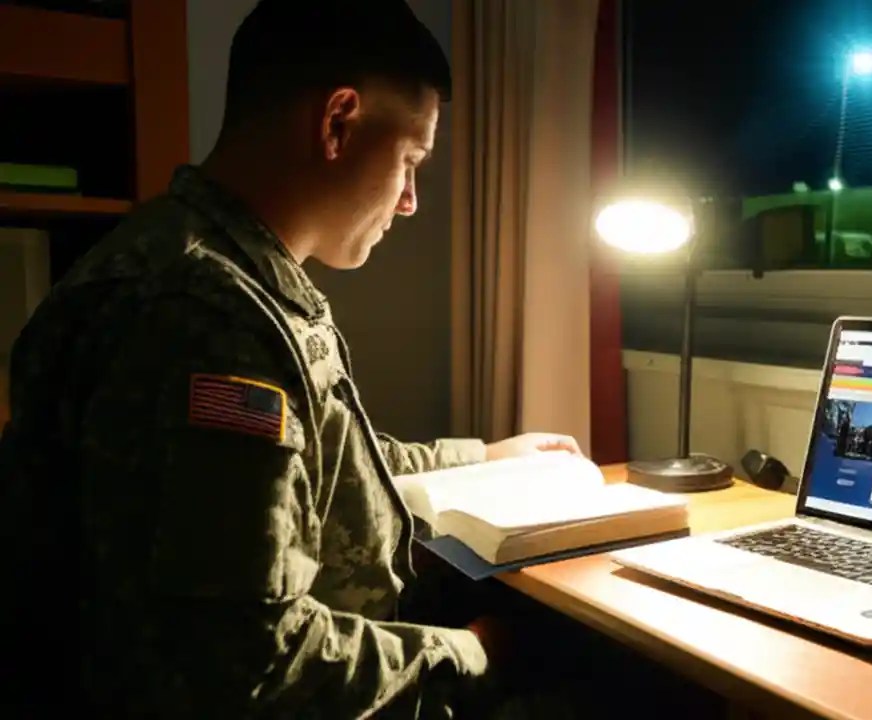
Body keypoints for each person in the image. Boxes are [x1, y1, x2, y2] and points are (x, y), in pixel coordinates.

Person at [0, 0, 579, 716]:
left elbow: (316, 474)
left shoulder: (210, 271)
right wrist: (477, 652)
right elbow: (244, 662)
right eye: (410, 162)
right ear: (338, 122)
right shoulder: (204, 314)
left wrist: (486, 456)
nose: (409, 202)